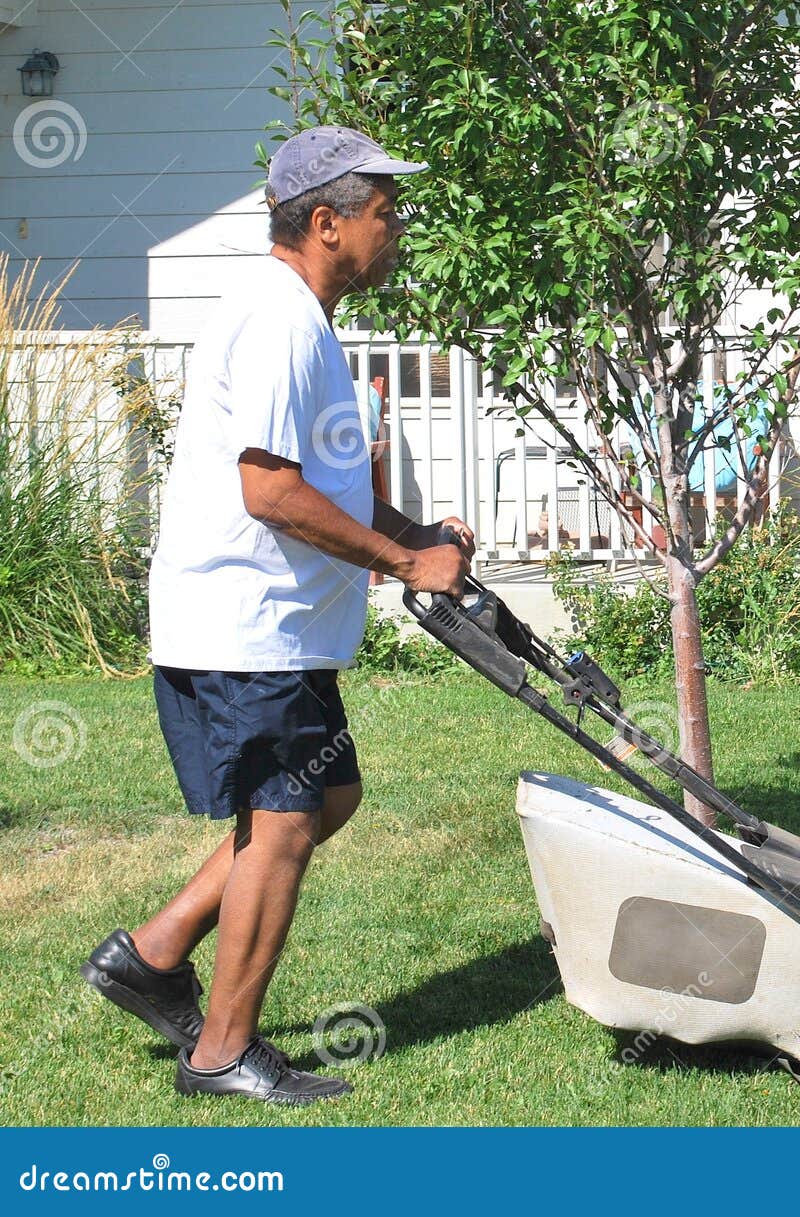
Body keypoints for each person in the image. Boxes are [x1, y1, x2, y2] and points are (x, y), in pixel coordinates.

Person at [79, 127, 472, 1106]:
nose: (400, 226)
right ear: (327, 222)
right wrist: (401, 561)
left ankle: (153, 953)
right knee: (284, 825)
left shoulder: (307, 320)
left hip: (279, 628)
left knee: (325, 799)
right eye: (387, 211)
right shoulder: (278, 320)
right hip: (244, 622)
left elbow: (325, 481)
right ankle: (219, 1051)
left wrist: (416, 530)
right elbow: (271, 492)